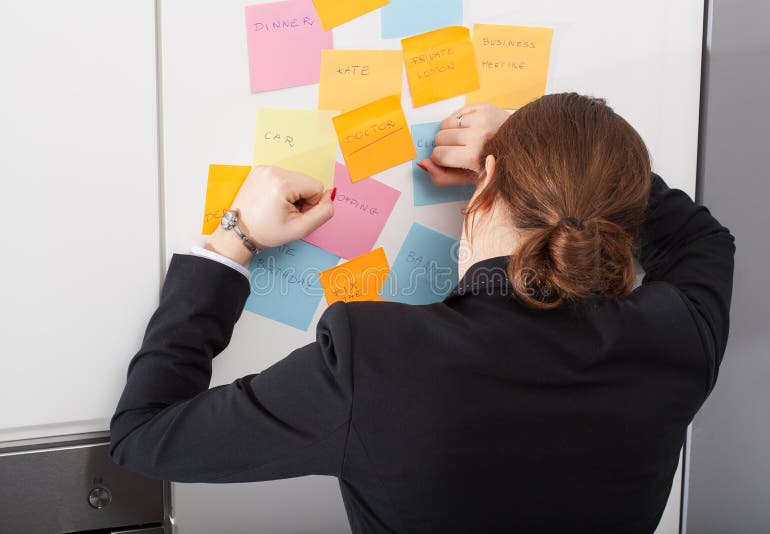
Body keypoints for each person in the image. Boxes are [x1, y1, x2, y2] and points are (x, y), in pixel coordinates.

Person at [109, 93, 735, 533]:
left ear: (485, 182)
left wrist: (233, 236)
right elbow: (703, 239)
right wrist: (550, 159)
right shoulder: (678, 339)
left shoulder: (372, 360)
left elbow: (145, 436)